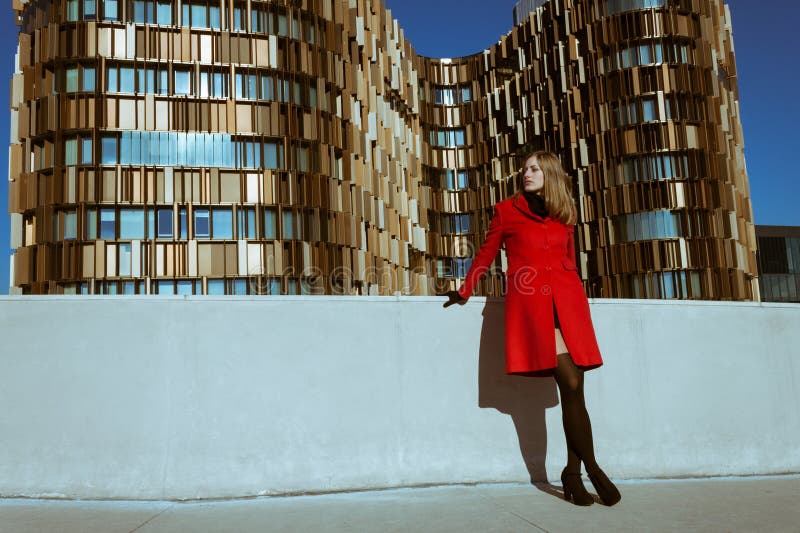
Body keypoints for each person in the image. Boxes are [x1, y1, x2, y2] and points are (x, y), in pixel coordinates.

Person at [442, 151, 621, 506]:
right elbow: (487, 253)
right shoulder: (507, 210)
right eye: (525, 169)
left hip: (568, 304)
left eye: (535, 169)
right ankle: (593, 468)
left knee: (575, 390)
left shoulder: (564, 214)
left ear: (550, 173)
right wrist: (465, 289)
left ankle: (571, 473)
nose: (527, 173)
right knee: (569, 381)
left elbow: (568, 259)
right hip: (534, 306)